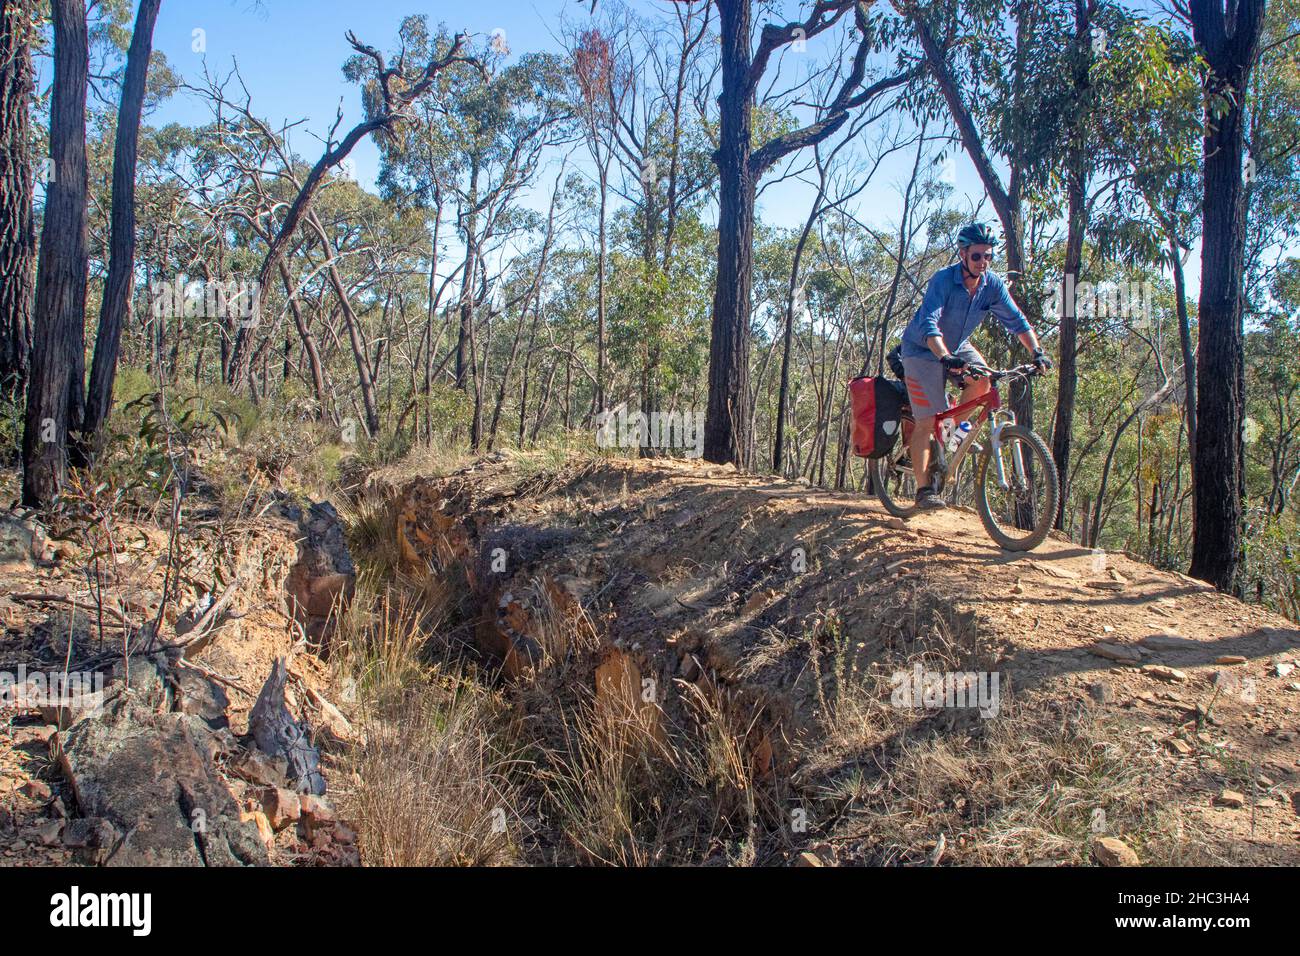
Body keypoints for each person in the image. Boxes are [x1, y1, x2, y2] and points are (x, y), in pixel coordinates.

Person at [899, 223, 1052, 510]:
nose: (983, 263)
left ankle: (947, 441)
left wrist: (1038, 352)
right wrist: (944, 357)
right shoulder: (944, 280)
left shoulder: (991, 285)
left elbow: (1017, 321)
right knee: (926, 419)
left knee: (984, 383)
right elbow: (928, 323)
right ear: (963, 254)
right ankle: (924, 491)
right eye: (977, 256)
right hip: (922, 349)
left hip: (957, 347)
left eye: (988, 257)